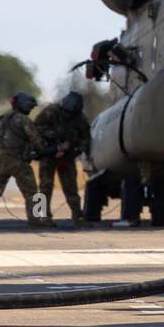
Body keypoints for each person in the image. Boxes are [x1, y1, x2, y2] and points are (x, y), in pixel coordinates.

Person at [0, 92, 47, 230]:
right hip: (18, 162)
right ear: (23, 105)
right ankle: (37, 219)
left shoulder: (1, 120)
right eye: (30, 107)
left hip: (0, 162)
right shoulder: (23, 120)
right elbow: (36, 140)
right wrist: (42, 151)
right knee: (33, 192)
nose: (31, 110)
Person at [34, 91, 92, 227]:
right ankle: (41, 217)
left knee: (71, 187)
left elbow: (86, 137)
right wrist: (55, 140)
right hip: (49, 154)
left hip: (67, 157)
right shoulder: (50, 112)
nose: (68, 116)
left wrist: (75, 150)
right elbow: (36, 128)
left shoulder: (80, 118)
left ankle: (78, 216)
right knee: (44, 187)